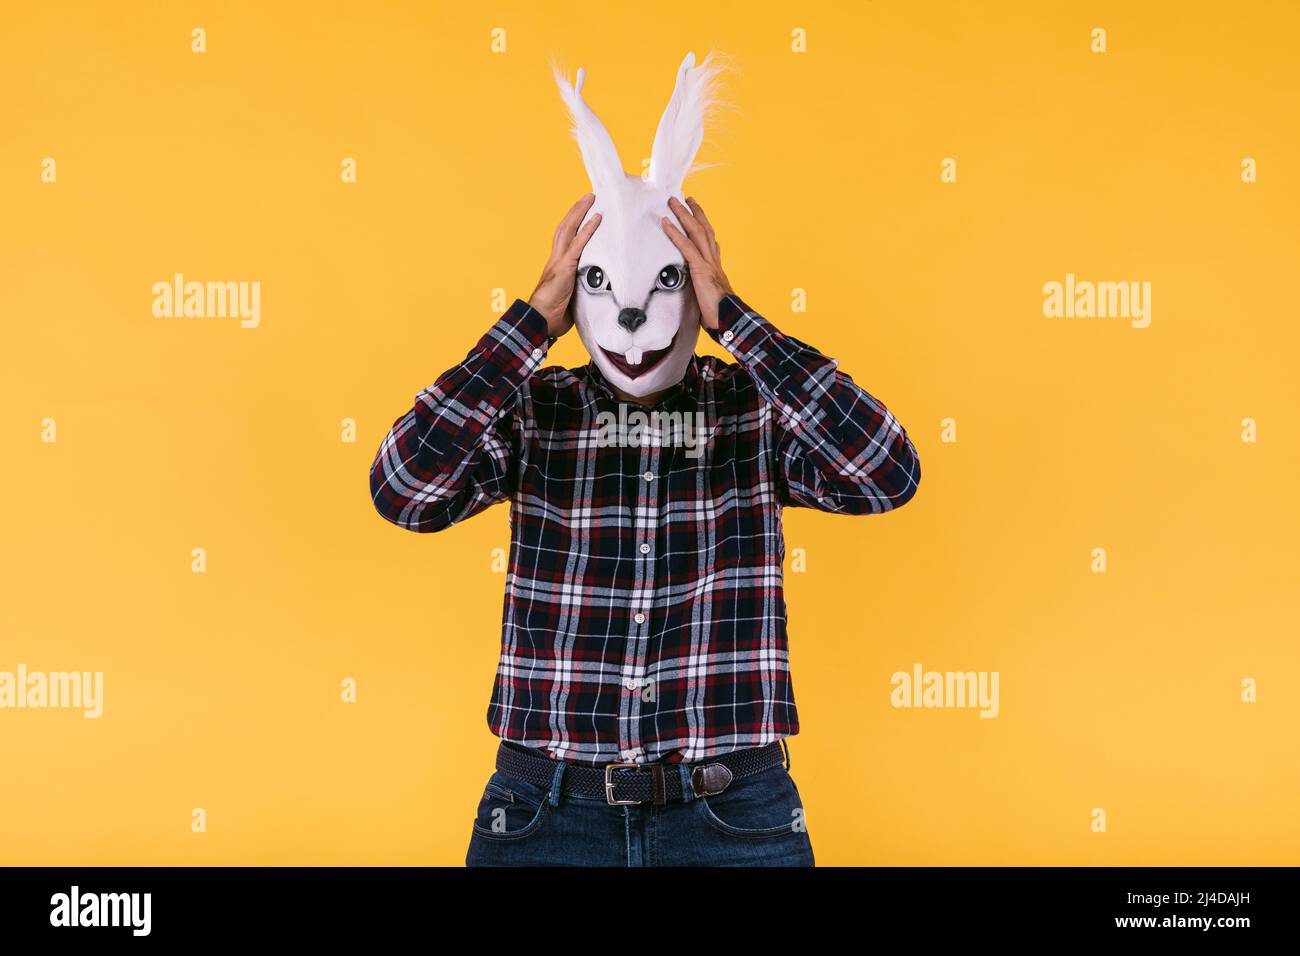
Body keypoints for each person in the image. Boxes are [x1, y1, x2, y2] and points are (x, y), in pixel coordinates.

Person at [369, 193, 922, 866]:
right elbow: (403, 489)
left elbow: (887, 472)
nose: (633, 319)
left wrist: (739, 322)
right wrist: (527, 327)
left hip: (731, 813)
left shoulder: (756, 409)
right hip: (545, 812)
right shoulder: (535, 410)